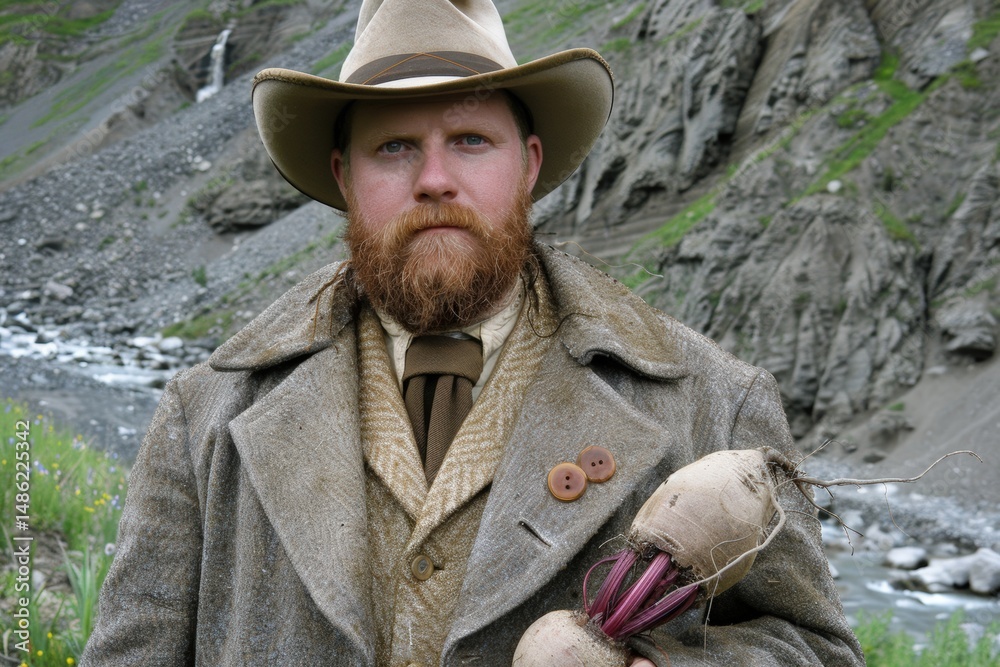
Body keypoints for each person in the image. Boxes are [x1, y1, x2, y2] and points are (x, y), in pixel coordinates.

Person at [83, 1, 864, 665]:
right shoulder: (203, 414)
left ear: (527, 164)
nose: (434, 178)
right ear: (344, 176)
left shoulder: (710, 401)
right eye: (393, 146)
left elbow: (816, 648)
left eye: (469, 140)